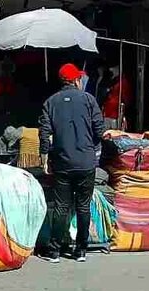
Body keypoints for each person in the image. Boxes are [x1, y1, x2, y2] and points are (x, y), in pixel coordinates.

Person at [38, 63, 105, 263]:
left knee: (61, 207)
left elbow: (44, 134)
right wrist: (89, 147)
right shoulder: (88, 100)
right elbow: (99, 130)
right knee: (83, 207)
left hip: (63, 163)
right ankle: (81, 251)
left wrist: (45, 157)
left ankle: (54, 251)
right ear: (76, 80)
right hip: (86, 163)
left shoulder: (50, 102)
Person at [100, 64, 130, 131]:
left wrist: (123, 111)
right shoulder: (112, 79)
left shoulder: (122, 81)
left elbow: (125, 98)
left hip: (115, 112)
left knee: (114, 131)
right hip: (107, 111)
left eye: (113, 68)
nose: (112, 70)